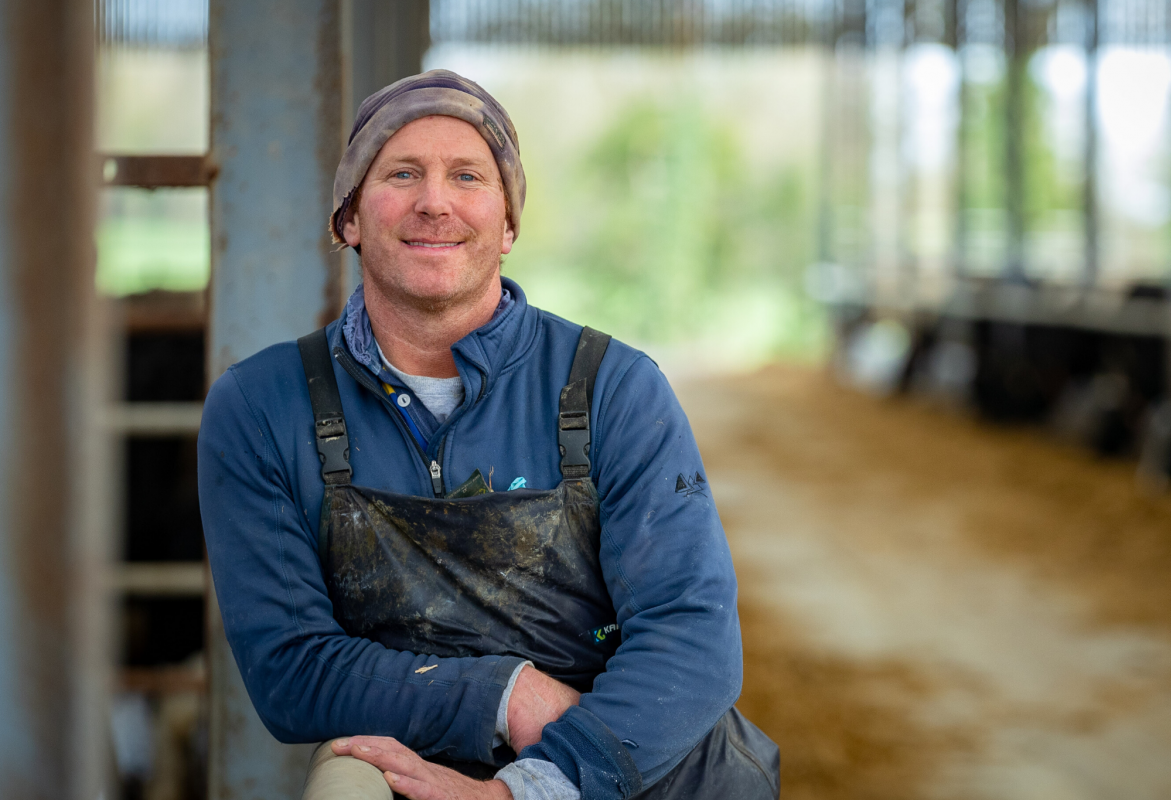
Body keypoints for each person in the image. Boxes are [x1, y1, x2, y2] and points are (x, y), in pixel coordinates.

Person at [198, 69, 779, 800]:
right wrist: (504, 694)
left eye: (467, 176)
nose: (434, 201)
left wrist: (529, 788)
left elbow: (691, 635)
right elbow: (291, 669)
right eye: (402, 172)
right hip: (418, 765)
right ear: (348, 218)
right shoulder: (262, 405)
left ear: (507, 226)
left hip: (622, 759)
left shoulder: (612, 387)